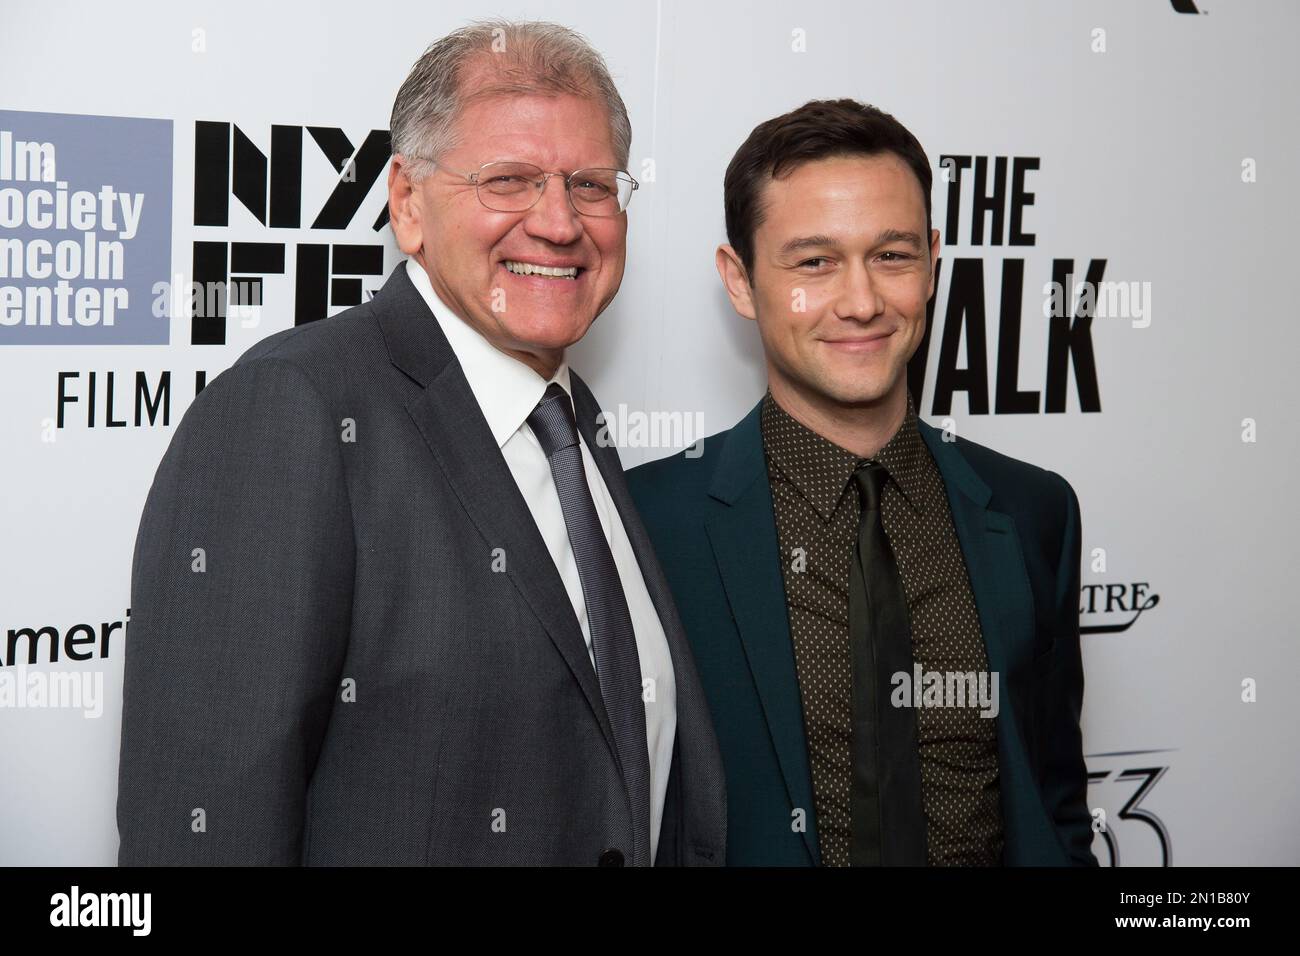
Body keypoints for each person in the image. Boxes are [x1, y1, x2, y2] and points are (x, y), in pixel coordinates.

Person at [117, 19, 724, 867]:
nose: (559, 222)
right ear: (407, 203)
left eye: (590, 185)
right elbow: (207, 833)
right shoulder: (296, 410)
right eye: (508, 180)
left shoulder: (573, 421)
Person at [627, 98, 1095, 866]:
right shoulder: (647, 523)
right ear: (740, 281)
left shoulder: (1035, 510)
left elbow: (1057, 800)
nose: (861, 302)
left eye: (893, 255)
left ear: (934, 263)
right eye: (814, 262)